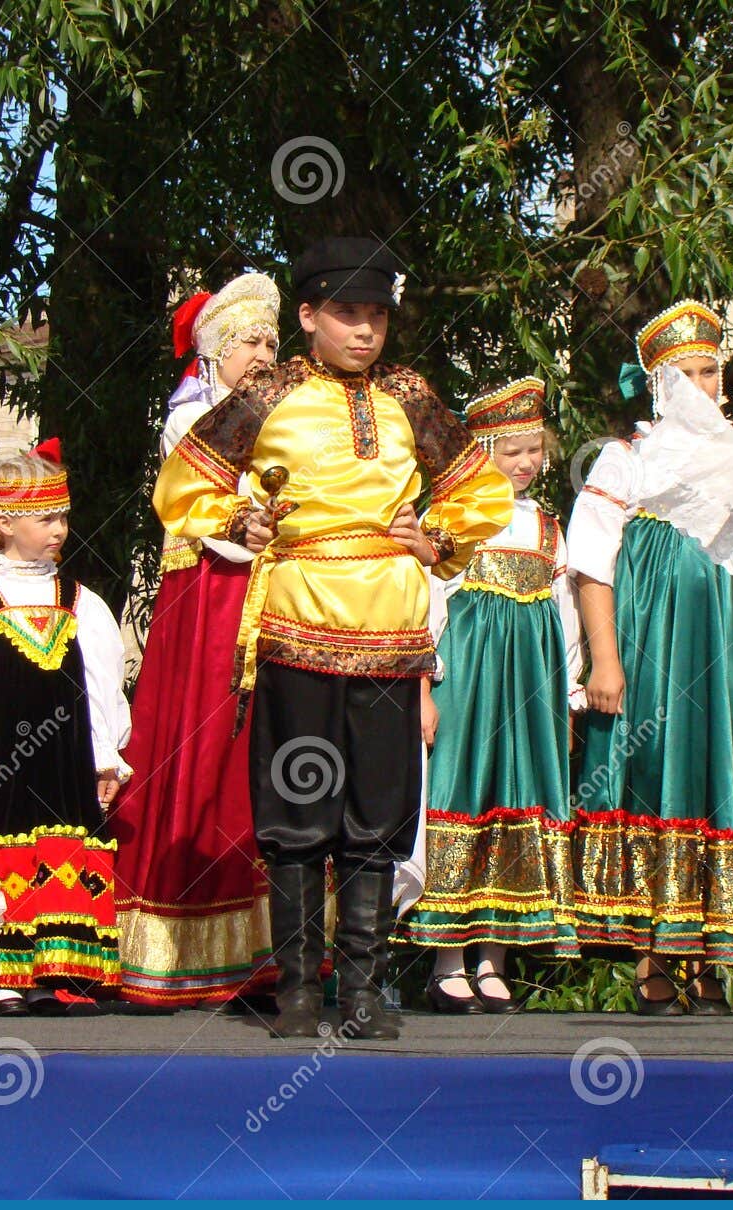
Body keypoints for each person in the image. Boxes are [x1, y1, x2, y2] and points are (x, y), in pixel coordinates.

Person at [153, 237, 513, 1039]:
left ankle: (361, 992)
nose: (364, 332)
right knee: (294, 812)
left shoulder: (412, 396)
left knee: (378, 815)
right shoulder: (268, 393)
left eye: (377, 316)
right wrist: (238, 519)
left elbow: (479, 490)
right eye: (346, 314)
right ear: (308, 316)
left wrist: (439, 539)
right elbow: (184, 481)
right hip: (297, 615)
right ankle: (296, 994)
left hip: (390, 622)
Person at [568, 301, 733, 1014]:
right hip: (651, 645)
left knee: (714, 778)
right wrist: (605, 661)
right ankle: (649, 959)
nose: (700, 386)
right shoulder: (626, 459)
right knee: (655, 772)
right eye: (683, 375)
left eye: (709, 372)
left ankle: (705, 959)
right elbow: (592, 566)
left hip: (722, 652)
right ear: (659, 387)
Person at [111, 273, 282, 1010]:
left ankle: (272, 951)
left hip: (272, 594)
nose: (265, 353)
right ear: (215, 350)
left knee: (268, 758)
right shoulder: (192, 420)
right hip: (214, 597)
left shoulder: (277, 415)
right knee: (206, 745)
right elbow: (219, 512)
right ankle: (184, 945)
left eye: (274, 341)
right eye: (251, 340)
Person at [0, 443, 132, 1016]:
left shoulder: (79, 601)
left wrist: (105, 758)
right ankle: (1, 975)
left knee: (58, 854)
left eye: (63, 517)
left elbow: (102, 686)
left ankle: (51, 972)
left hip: (61, 762)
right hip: (0, 765)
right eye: (47, 518)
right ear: (5, 523)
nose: (60, 529)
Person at [400, 377, 584, 1012]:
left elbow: (564, 619)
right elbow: (424, 610)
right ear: (482, 454)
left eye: (535, 450)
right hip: (468, 685)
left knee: (515, 794)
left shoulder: (548, 530)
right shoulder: (451, 521)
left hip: (527, 694)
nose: (528, 463)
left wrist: (565, 699)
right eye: (513, 452)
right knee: (458, 791)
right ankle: (446, 955)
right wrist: (422, 690)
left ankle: (493, 954)